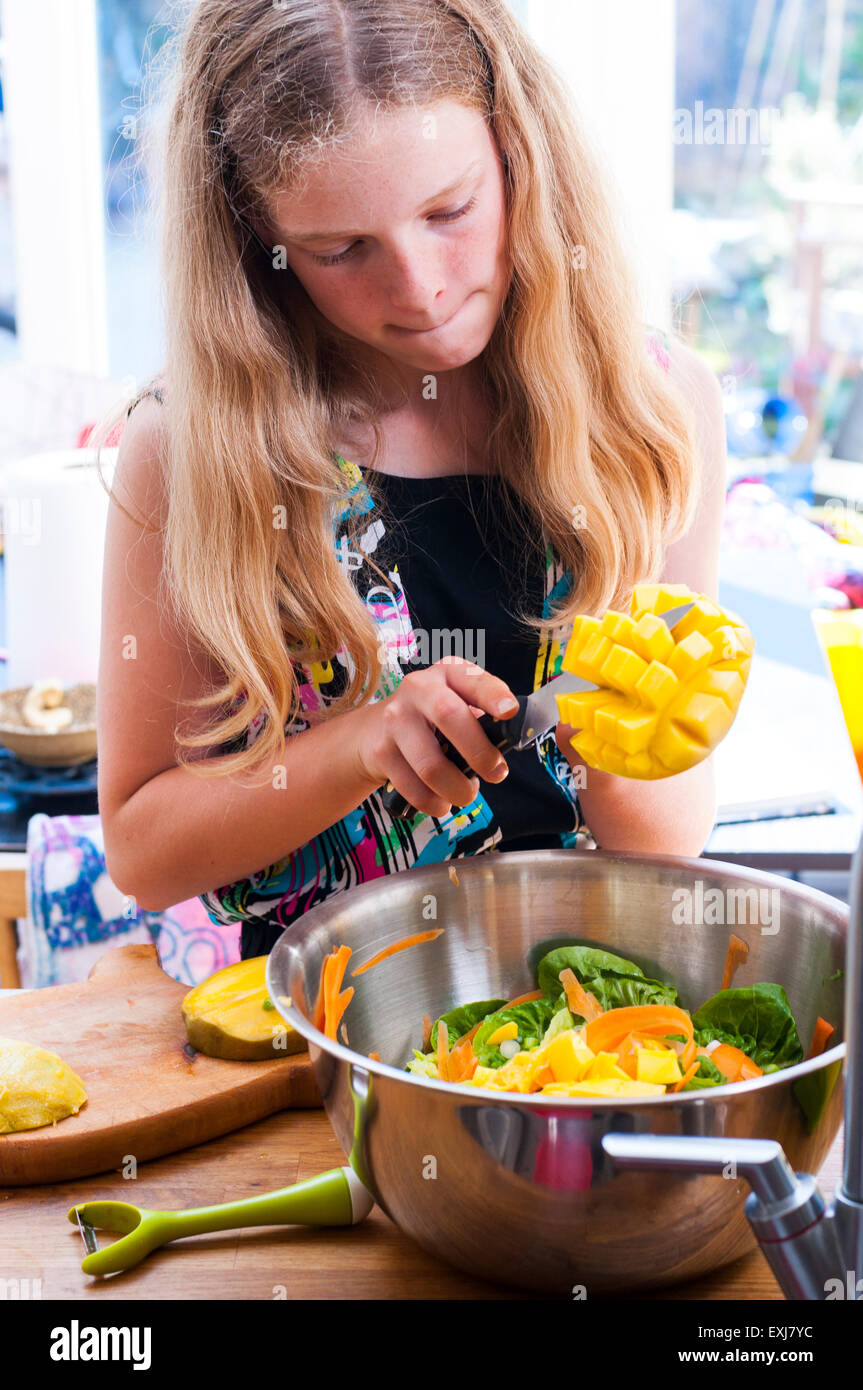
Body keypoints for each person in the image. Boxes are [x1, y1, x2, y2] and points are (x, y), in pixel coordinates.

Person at [94, 0, 726, 962]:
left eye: (449, 210)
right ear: (255, 244)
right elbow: (142, 851)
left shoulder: (654, 408)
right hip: (324, 1035)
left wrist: (636, 727)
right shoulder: (190, 451)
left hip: (589, 1027)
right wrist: (361, 746)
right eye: (341, 249)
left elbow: (663, 837)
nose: (421, 285)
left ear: (520, 151)